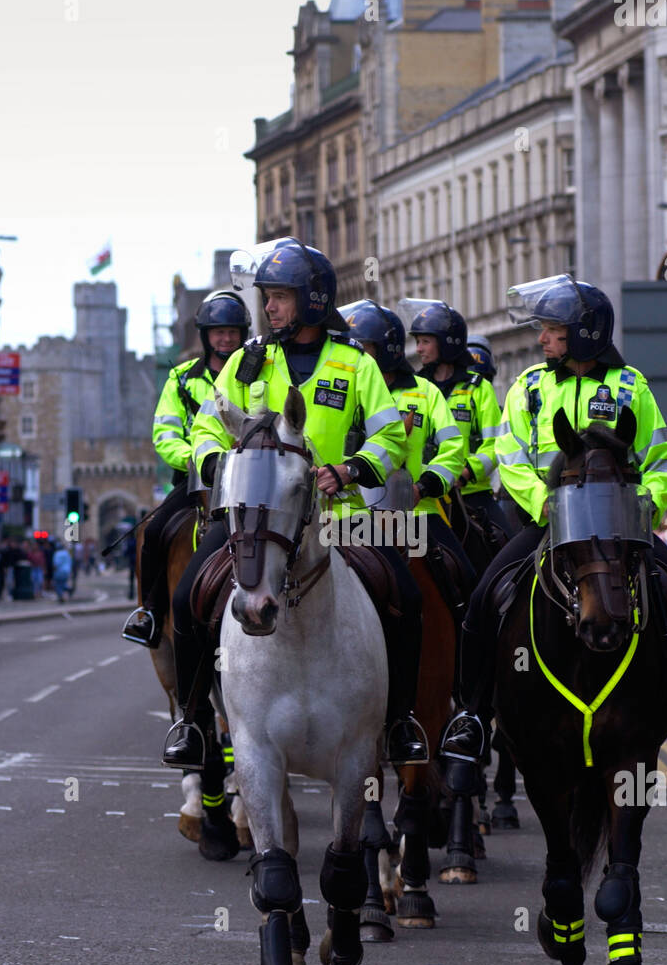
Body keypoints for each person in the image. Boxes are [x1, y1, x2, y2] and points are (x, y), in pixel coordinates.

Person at [440, 273, 667, 761]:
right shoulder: (528, 387)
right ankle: (473, 714)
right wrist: (546, 507)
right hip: (545, 525)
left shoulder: (629, 386)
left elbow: (660, 461)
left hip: (622, 526)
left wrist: (647, 511)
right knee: (482, 599)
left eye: (552, 330)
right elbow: (511, 458)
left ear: (583, 333)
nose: (542, 338)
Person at [163, 238, 427, 770]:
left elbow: (388, 437)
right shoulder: (245, 362)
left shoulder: (355, 365)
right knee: (189, 594)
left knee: (407, 599)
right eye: (268, 297)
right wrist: (218, 466)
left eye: (280, 297)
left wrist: (350, 470)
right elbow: (206, 427)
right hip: (256, 519)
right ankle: (191, 720)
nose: (269, 307)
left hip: (340, 518)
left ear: (311, 300)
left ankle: (400, 724)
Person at [122, 289, 252, 646]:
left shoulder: (256, 375)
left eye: (232, 332)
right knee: (155, 531)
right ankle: (149, 611)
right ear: (206, 336)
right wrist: (198, 460)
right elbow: (165, 433)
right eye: (218, 332)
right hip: (198, 480)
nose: (226, 339)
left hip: (250, 478)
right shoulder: (180, 379)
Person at [340, 297, 475, 583]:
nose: (354, 356)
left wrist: (423, 487)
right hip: (351, 514)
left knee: (467, 579)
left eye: (363, 349)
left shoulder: (426, 393)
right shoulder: (345, 391)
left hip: (418, 514)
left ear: (387, 350)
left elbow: (453, 449)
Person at [410, 305, 513, 544]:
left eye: (425, 341)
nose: (418, 349)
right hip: (422, 499)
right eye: (418, 341)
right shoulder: (414, 388)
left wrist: (465, 473)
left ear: (447, 344)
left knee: (506, 545)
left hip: (470, 495)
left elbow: (495, 444)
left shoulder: (478, 389)